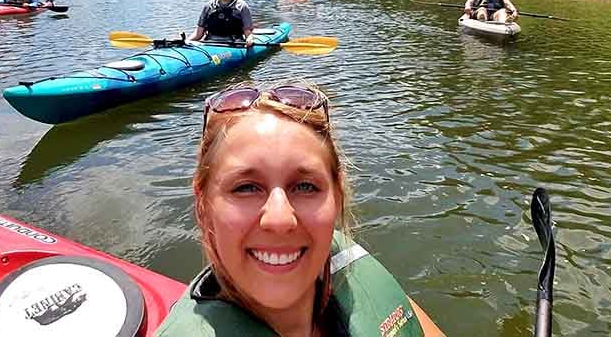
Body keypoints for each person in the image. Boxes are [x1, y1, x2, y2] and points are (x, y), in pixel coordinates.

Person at [155, 82, 445, 337]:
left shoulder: (359, 280)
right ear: (204, 206)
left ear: (337, 198)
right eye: (245, 187)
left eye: (305, 187)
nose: (280, 219)